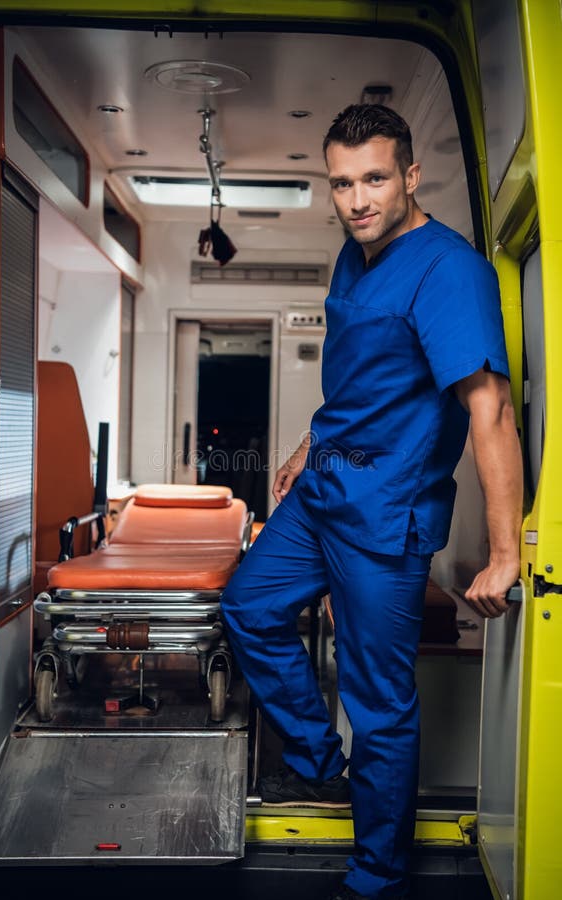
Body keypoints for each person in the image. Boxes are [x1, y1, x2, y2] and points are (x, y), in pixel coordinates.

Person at [220, 104, 523, 900]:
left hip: (386, 515)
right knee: (249, 607)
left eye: (375, 179)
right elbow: (361, 382)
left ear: (411, 176)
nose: (357, 200)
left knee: (377, 699)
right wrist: (305, 446)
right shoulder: (353, 254)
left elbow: (490, 408)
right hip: (324, 489)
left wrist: (505, 553)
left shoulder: (448, 270)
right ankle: (323, 765)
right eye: (342, 183)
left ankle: (378, 873)